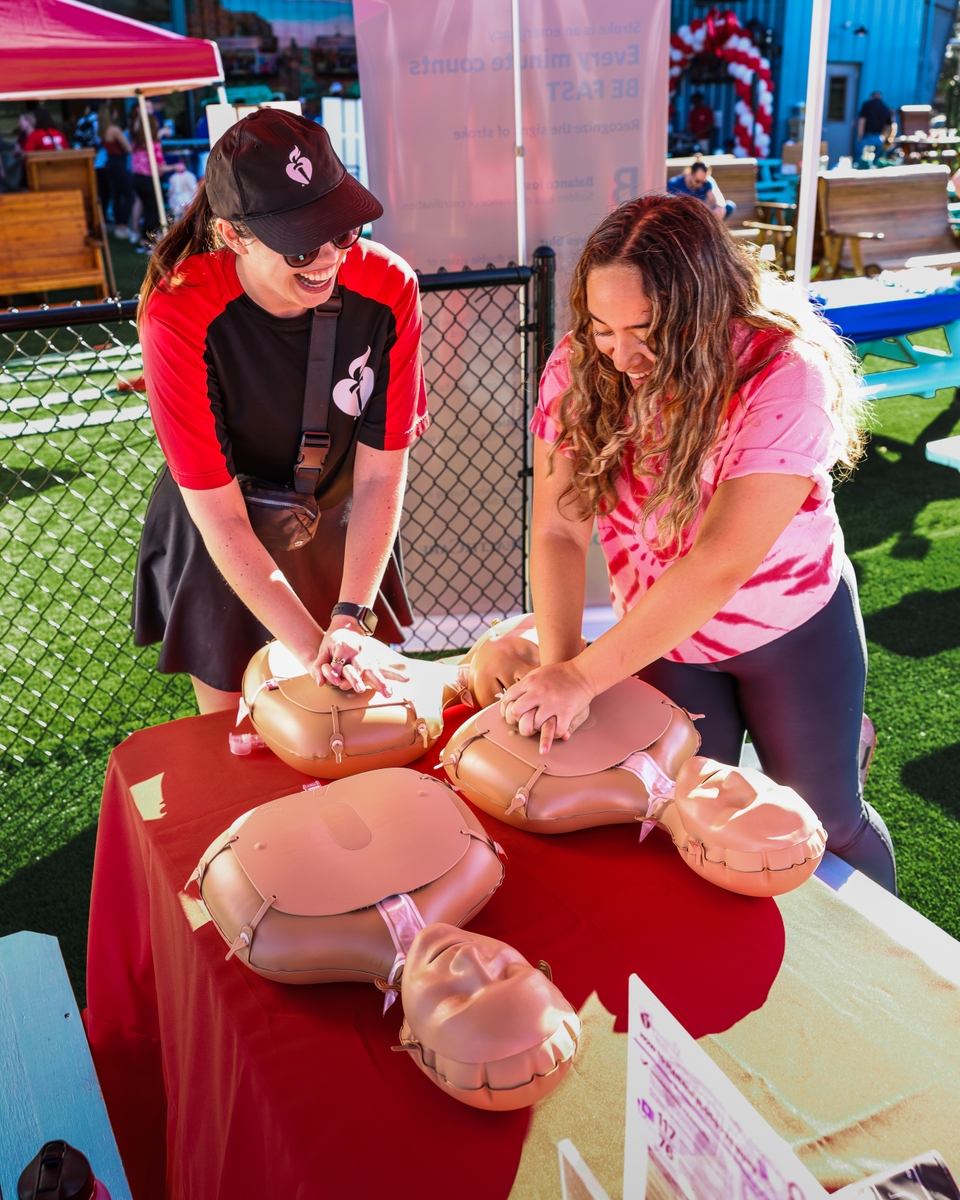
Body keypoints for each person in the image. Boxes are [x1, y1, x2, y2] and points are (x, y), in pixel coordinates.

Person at [499, 194, 898, 894]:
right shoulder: (578, 369)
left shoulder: (782, 373)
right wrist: (563, 671)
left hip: (792, 630)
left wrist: (585, 678)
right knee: (679, 821)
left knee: (823, 820)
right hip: (664, 639)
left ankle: (904, 981)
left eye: (647, 330)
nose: (622, 356)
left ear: (705, 312)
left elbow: (720, 562)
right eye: (601, 328)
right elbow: (560, 528)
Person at [134, 108, 427, 716]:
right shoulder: (179, 312)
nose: (327, 259)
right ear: (234, 235)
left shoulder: (389, 286)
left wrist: (349, 618)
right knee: (239, 735)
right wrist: (307, 645)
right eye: (299, 247)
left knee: (356, 736)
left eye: (343, 231)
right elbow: (219, 516)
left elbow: (379, 476)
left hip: (340, 518)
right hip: (227, 531)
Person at [130, 106, 174, 249]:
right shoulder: (153, 144)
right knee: (153, 212)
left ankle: (143, 241)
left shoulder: (137, 143)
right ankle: (150, 243)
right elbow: (159, 166)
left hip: (137, 178)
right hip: (149, 180)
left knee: (148, 210)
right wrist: (175, 167)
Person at [98, 103, 133, 239]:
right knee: (128, 195)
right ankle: (123, 225)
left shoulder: (102, 130)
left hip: (110, 163)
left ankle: (120, 226)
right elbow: (128, 148)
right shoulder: (114, 130)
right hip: (118, 162)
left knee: (117, 195)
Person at [666, 158, 735, 221]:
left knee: (729, 206)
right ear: (690, 173)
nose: (701, 185)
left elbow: (716, 196)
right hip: (684, 216)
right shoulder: (674, 183)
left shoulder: (708, 181)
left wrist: (719, 207)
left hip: (702, 215)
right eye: (698, 181)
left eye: (703, 182)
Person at [857, 91, 895, 161]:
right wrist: (885, 138)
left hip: (867, 137)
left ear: (871, 97)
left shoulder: (867, 105)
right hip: (879, 138)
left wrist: (859, 136)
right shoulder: (885, 108)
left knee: (862, 161)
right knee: (874, 163)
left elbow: (861, 121)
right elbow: (890, 126)